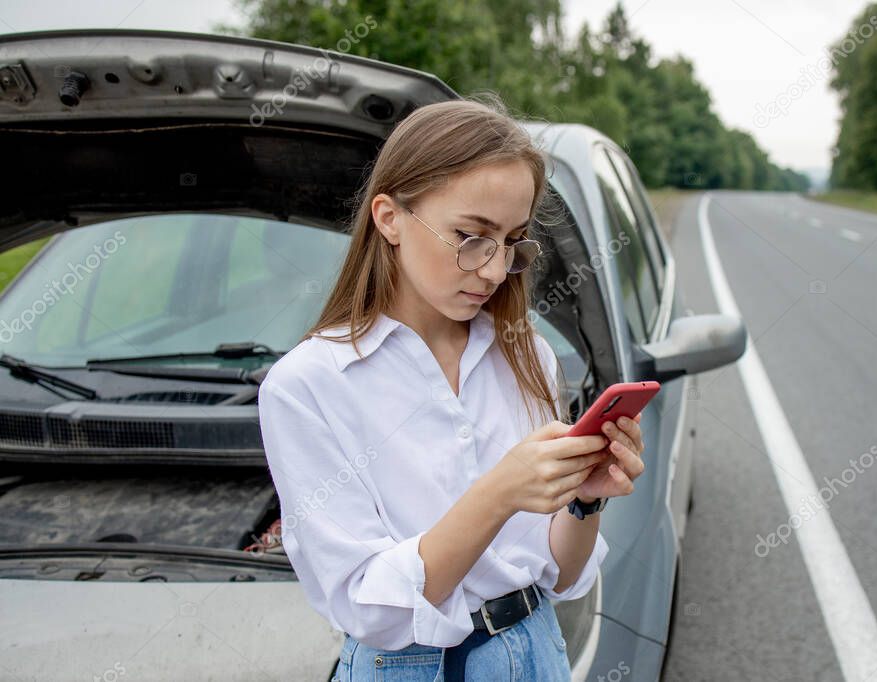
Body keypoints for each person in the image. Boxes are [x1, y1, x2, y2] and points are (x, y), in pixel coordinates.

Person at [256, 96, 647, 681]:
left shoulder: (528, 356)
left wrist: (585, 500)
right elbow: (369, 606)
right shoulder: (307, 386)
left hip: (535, 651)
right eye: (470, 236)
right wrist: (500, 493)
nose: (494, 270)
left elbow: (562, 577)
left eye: (512, 241)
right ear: (389, 217)